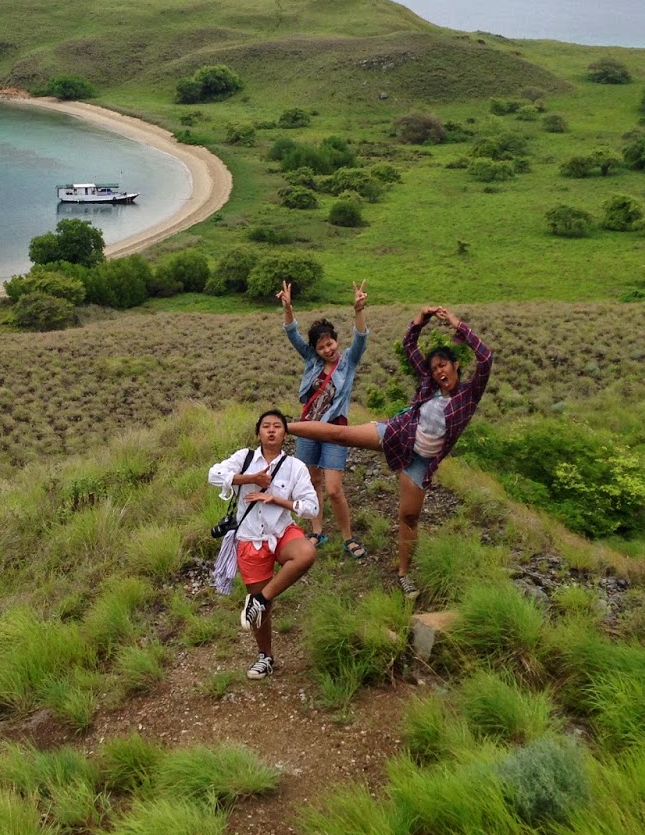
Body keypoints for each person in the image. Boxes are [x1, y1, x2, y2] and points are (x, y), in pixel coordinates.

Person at [288, 306, 492, 597]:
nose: (438, 371)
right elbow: (409, 345)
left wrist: (456, 323)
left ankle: (404, 574)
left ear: (456, 365)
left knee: (408, 517)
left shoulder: (469, 394)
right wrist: (419, 321)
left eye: (443, 365)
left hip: (420, 461)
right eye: (434, 368)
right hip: (398, 433)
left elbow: (486, 356)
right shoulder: (428, 383)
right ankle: (284, 426)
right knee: (340, 434)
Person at [207, 409, 319, 680]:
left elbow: (312, 507)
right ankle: (265, 657)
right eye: (266, 426)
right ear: (258, 432)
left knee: (306, 553)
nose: (271, 430)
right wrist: (251, 479)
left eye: (277, 426)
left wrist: (277, 500)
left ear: (285, 434)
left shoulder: (295, 467)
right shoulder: (244, 458)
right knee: (262, 613)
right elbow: (213, 474)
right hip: (249, 537)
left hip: (280, 531)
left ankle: (259, 599)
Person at [277, 278, 369, 558]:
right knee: (312, 481)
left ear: (336, 341)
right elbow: (292, 333)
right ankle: (317, 531)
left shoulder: (348, 361)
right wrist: (288, 308)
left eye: (330, 344)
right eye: (321, 347)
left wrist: (358, 310)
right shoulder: (312, 361)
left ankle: (348, 537)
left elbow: (361, 337)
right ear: (315, 350)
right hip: (308, 428)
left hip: (335, 430)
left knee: (334, 489)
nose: (327, 350)